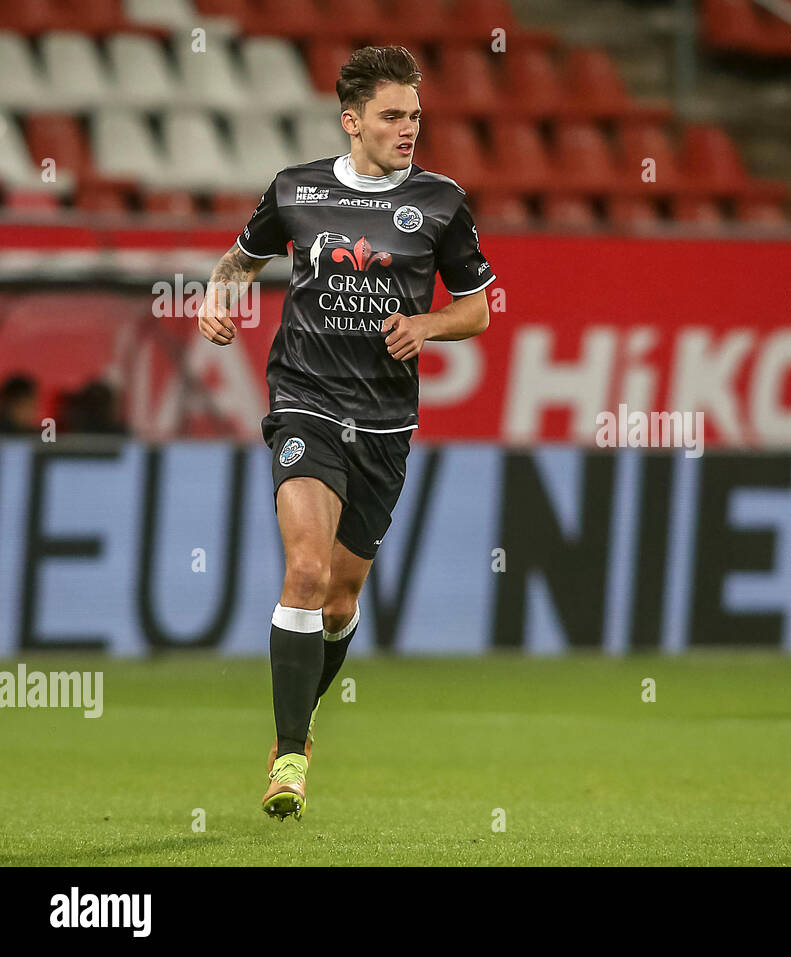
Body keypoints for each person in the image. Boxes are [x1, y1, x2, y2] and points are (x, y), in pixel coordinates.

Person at [197, 45, 495, 820]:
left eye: (416, 116)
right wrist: (216, 296)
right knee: (303, 570)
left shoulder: (441, 202)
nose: (409, 129)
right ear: (352, 120)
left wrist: (428, 324)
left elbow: (479, 308)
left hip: (386, 422)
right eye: (394, 116)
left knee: (336, 600)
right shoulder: (295, 189)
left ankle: (305, 708)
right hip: (305, 400)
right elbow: (238, 260)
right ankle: (290, 750)